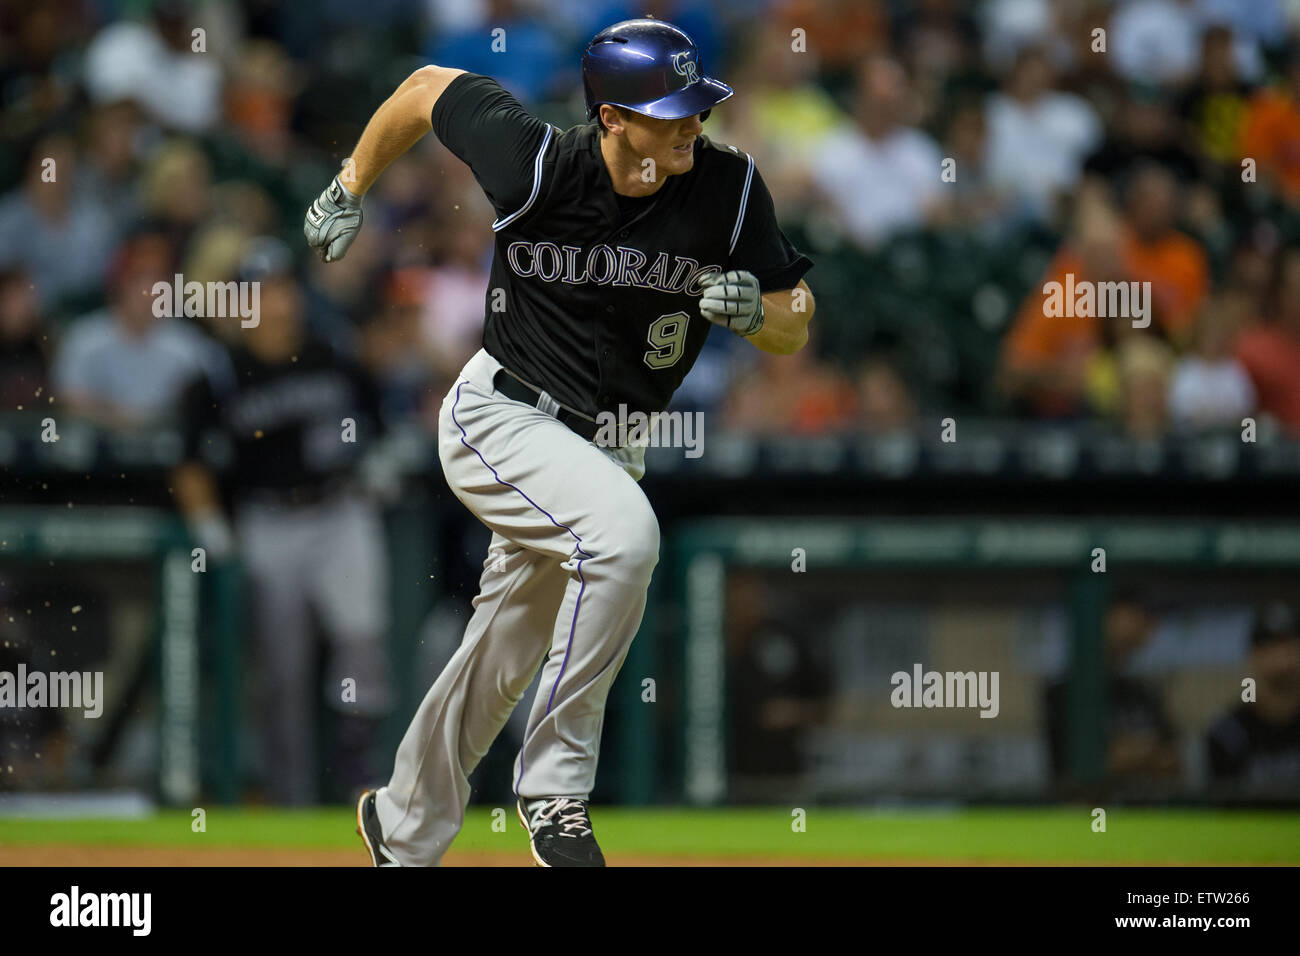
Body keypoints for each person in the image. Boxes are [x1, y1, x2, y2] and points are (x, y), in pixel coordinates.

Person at [304, 18, 814, 866]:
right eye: (670, 110)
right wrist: (351, 181)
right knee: (625, 538)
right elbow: (426, 86)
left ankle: (401, 823)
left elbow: (796, 320)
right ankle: (555, 794)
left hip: (607, 446)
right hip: (501, 415)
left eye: (698, 105)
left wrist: (762, 316)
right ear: (612, 117)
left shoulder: (727, 188)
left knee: (502, 652)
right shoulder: (536, 160)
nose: (693, 123)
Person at [172, 238, 394, 805]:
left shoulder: (332, 355)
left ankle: (357, 772)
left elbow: (378, 430)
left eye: (282, 291)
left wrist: (377, 465)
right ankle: (290, 801)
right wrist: (213, 532)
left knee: (362, 637)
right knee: (283, 673)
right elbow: (190, 466)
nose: (275, 305)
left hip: (340, 510)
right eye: (261, 293)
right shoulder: (220, 376)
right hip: (268, 522)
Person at [1206, 601, 1300, 799]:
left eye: (1292, 645)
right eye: (1272, 647)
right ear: (1253, 656)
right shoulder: (1228, 734)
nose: (1284, 658)